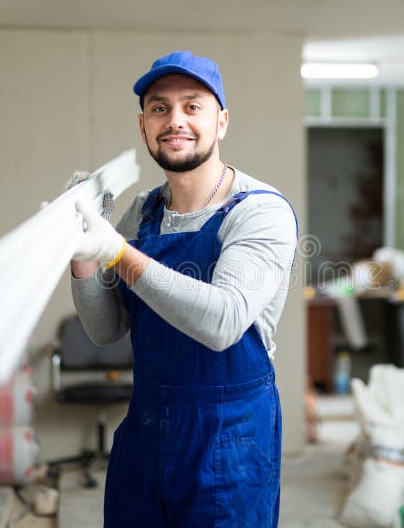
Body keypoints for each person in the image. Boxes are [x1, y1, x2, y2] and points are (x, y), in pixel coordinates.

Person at [69, 51, 298, 527]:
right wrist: (81, 250)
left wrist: (116, 251)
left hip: (229, 441)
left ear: (222, 122)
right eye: (160, 108)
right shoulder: (144, 213)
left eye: (193, 106)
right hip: (147, 431)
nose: (175, 120)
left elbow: (223, 322)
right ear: (143, 125)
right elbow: (105, 329)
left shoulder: (258, 213)